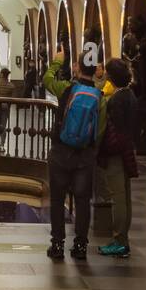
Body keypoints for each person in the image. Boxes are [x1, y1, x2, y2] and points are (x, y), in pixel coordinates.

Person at [43, 45, 106, 261]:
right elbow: (99, 130)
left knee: (58, 199)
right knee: (82, 200)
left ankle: (58, 244)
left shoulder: (65, 89)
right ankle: (80, 246)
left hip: (61, 152)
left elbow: (46, 80)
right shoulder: (100, 97)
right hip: (85, 156)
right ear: (97, 69)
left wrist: (57, 61)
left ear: (77, 67)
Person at [97, 58, 139, 257]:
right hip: (127, 150)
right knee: (125, 196)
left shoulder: (115, 100)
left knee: (118, 197)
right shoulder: (130, 95)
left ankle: (119, 240)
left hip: (116, 153)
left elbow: (111, 128)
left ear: (111, 77)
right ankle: (123, 239)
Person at [0, 67, 15, 155]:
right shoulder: (10, 86)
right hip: (5, 108)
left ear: (1, 74)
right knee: (3, 126)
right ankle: (2, 145)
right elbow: (11, 98)